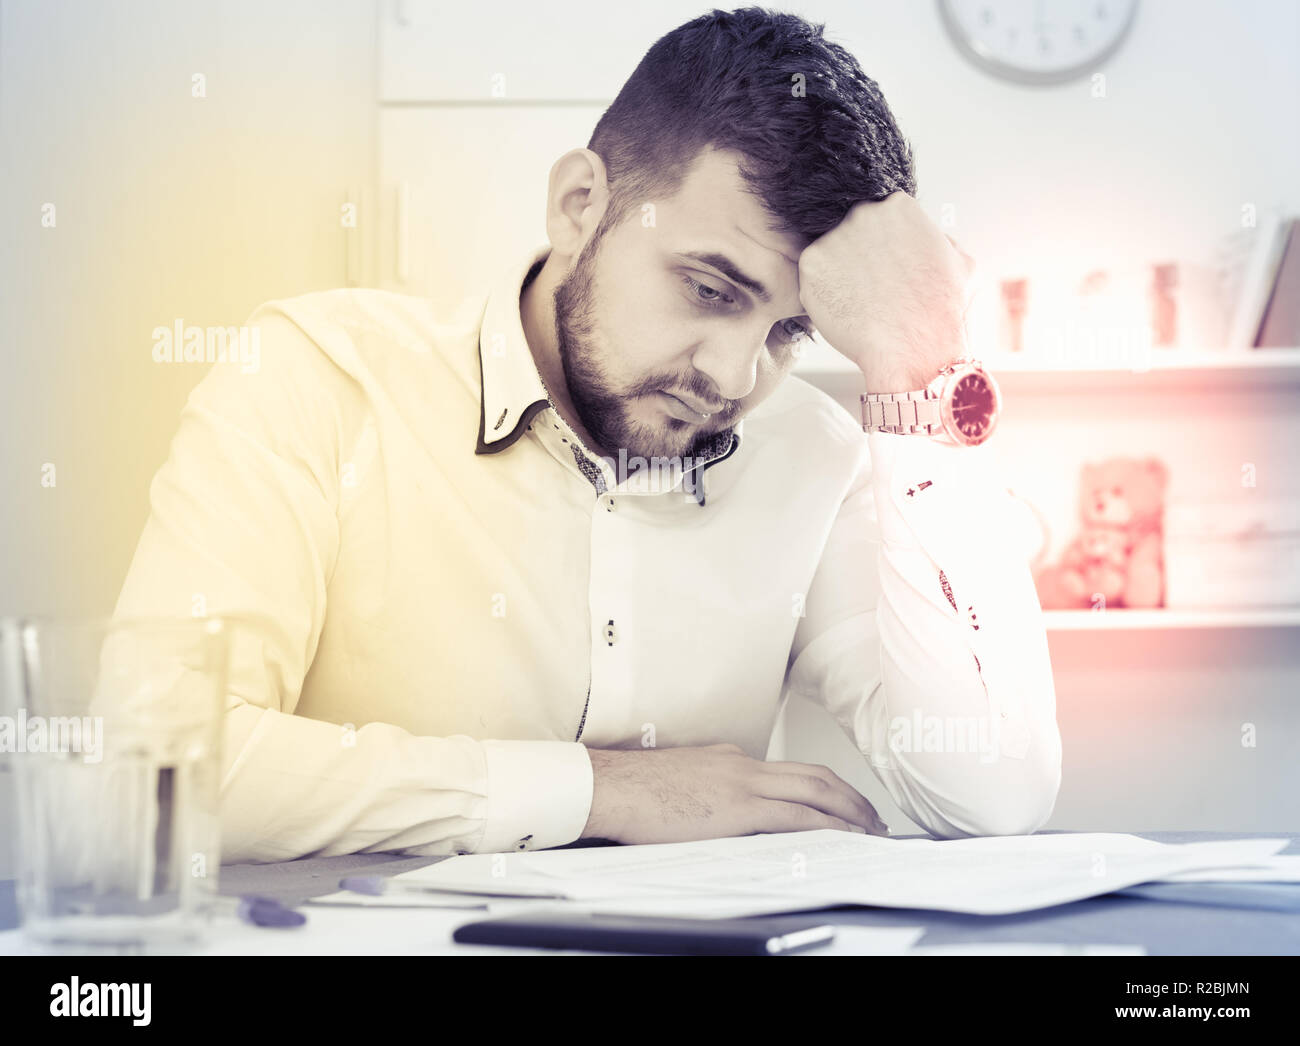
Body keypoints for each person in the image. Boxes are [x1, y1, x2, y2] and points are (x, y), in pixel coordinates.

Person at [113, 7, 1060, 863]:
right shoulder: (317, 376)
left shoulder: (815, 456)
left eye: (787, 333)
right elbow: (159, 767)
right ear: (579, 206)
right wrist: (596, 792)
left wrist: (924, 369)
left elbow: (993, 794)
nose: (734, 378)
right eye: (708, 290)